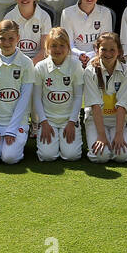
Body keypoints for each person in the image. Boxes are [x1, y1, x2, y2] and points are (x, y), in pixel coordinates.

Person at [0, 19, 35, 166]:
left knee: (10, 158)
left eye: (11, 38)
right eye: (2, 38)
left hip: (17, 122)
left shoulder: (26, 62)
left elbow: (24, 99)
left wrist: (12, 129)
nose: (7, 43)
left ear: (18, 38)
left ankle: (15, 143)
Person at [31, 28, 88, 163]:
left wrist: (72, 122)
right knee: (47, 156)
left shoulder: (75, 65)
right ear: (47, 48)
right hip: (48, 120)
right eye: (53, 45)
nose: (58, 49)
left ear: (68, 47)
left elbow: (78, 96)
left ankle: (66, 136)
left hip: (68, 120)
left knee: (71, 155)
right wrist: (43, 122)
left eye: (62, 45)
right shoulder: (40, 67)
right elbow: (37, 97)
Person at [84, 32, 127, 164]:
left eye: (112, 49)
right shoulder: (90, 71)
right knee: (101, 156)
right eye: (103, 49)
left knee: (122, 156)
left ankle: (115, 137)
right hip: (95, 120)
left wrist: (119, 134)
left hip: (119, 121)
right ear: (97, 50)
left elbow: (122, 105)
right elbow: (95, 106)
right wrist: (101, 136)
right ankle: (102, 138)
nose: (108, 53)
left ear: (119, 51)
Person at [59, 0, 115, 65]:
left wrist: (92, 55)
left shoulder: (105, 13)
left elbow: (105, 42)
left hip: (98, 56)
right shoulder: (67, 13)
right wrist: (80, 54)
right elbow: (68, 43)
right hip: (74, 56)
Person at [4, 0, 52, 65]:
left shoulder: (44, 16)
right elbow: (6, 47)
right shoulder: (9, 17)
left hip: (38, 63)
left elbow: (44, 49)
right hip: (15, 62)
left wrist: (30, 65)